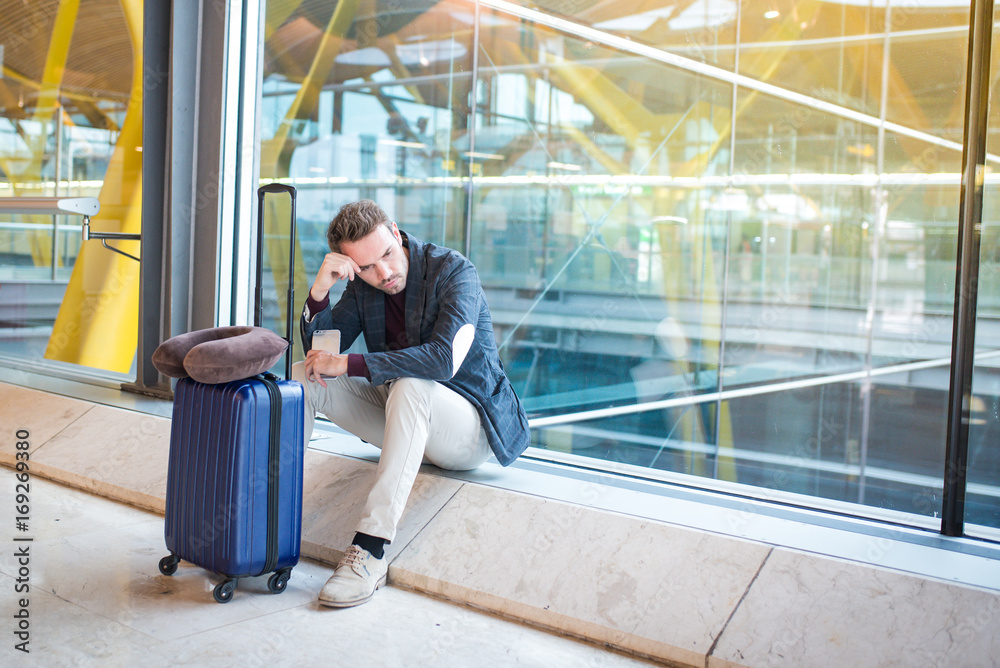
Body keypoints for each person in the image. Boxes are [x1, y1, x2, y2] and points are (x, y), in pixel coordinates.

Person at [292, 199, 530, 608]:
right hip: (405, 418)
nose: (383, 274)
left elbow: (442, 360)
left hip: (468, 429)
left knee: (412, 385)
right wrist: (319, 294)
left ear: (396, 232)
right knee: (301, 375)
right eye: (365, 267)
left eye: (386, 255)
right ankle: (271, 516)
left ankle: (370, 551)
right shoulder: (363, 286)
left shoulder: (454, 271)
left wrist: (349, 363)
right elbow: (322, 357)